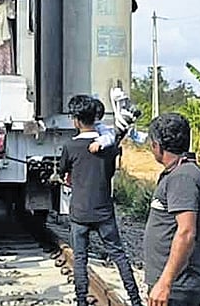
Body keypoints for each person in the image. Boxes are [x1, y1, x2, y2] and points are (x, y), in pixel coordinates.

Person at [58, 95, 144, 306]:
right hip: (104, 211)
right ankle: (135, 300)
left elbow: (63, 173)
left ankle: (81, 301)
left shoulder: (70, 147)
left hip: (79, 212)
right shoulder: (109, 146)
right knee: (119, 256)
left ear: (76, 120)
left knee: (80, 258)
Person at [143, 112, 200, 306]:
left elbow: (186, 232)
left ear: (157, 145)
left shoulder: (182, 178)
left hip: (179, 286)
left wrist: (165, 283)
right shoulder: (182, 172)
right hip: (178, 284)